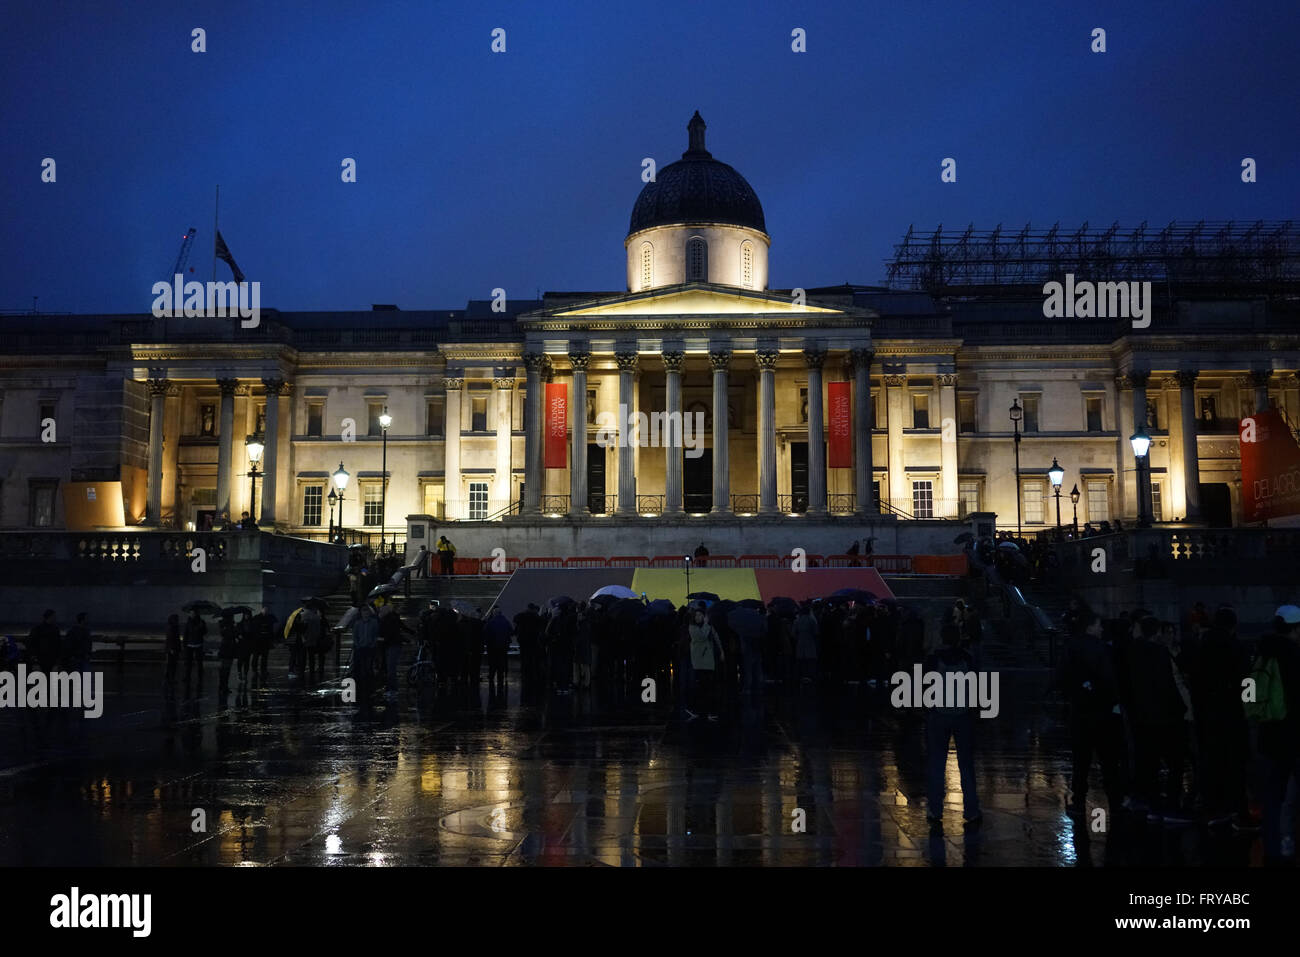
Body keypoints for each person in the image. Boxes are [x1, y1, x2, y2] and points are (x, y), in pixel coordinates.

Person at [1056, 609, 1126, 820]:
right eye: (1098, 625)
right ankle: (1115, 801)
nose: (1101, 628)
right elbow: (1111, 681)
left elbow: (1062, 677)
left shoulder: (1070, 647)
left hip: (1080, 712)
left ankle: (1078, 802)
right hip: (1103, 713)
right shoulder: (1102, 649)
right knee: (1109, 761)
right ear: (1090, 627)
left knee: (1081, 761)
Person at [1189, 607, 1250, 827]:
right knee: (1234, 762)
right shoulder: (1236, 647)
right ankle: (1237, 809)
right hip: (1231, 711)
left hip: (1207, 711)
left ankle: (1213, 807)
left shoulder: (1202, 646)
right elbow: (1245, 680)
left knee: (1211, 760)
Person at [1254, 605, 1300, 861]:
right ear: (1295, 628)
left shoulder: (1262, 654)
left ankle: (1273, 849)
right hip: (1293, 737)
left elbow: (1248, 694)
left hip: (1267, 737)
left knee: (1271, 799)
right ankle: (1289, 842)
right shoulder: (1295, 656)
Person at [925, 623, 982, 828]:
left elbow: (925, 685)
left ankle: (934, 809)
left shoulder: (934, 659)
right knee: (966, 764)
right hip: (963, 715)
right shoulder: (967, 658)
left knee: (936, 764)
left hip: (939, 714)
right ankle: (972, 810)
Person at [687, 605, 724, 721]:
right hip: (699, 662)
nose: (698, 617)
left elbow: (716, 637)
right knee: (701, 687)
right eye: (696, 615)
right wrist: (707, 625)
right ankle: (697, 710)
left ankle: (705, 711)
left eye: (700, 615)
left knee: (708, 687)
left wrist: (721, 650)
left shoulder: (707, 626)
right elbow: (702, 636)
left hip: (708, 661)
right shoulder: (692, 627)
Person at [350, 603, 380, 721]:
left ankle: (369, 686)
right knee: (362, 667)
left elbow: (375, 635)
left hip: (370, 648)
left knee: (369, 667)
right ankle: (364, 686)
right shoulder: (358, 623)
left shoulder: (373, 623)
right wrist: (358, 645)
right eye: (363, 611)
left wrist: (372, 644)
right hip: (361, 648)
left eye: (367, 611)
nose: (365, 613)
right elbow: (355, 636)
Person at [377, 600, 412, 700]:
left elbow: (390, 634)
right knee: (390, 668)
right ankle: (391, 689)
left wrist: (381, 639)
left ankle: (392, 689)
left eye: (381, 611)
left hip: (391, 645)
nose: (379, 612)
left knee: (390, 669)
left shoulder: (386, 620)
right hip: (393, 645)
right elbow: (402, 628)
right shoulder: (393, 618)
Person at [484, 609, 512, 691]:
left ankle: (492, 676)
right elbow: (511, 631)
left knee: (492, 661)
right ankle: (501, 676)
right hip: (503, 645)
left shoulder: (490, 622)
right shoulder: (506, 621)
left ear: (494, 614)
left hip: (492, 645)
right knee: (501, 661)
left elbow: (485, 632)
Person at [249, 605, 275, 680]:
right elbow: (254, 629)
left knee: (264, 657)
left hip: (264, 641)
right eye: (265, 611)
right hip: (258, 641)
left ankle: (262, 670)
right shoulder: (257, 618)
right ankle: (255, 670)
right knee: (256, 657)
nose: (266, 612)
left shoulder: (268, 618)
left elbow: (270, 630)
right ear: (262, 610)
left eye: (267, 611)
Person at [182, 608, 207, 686]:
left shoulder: (201, 622)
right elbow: (186, 633)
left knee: (199, 662)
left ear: (196, 614)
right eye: (190, 613)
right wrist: (184, 643)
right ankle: (187, 677)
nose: (191, 615)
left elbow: (205, 632)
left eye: (193, 613)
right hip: (190, 644)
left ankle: (200, 677)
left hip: (198, 644)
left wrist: (201, 627)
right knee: (188, 662)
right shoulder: (188, 622)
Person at [217, 610, 238, 695]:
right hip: (227, 649)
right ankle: (223, 686)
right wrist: (234, 628)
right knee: (225, 669)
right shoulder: (226, 625)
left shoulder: (227, 625)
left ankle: (223, 686)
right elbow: (229, 635)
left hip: (228, 648)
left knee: (226, 669)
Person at [164, 613, 182, 684]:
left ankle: (168, 677)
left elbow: (170, 639)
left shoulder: (171, 627)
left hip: (171, 648)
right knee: (173, 664)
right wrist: (172, 648)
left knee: (170, 664)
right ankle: (171, 678)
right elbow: (172, 639)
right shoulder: (173, 627)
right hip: (173, 648)